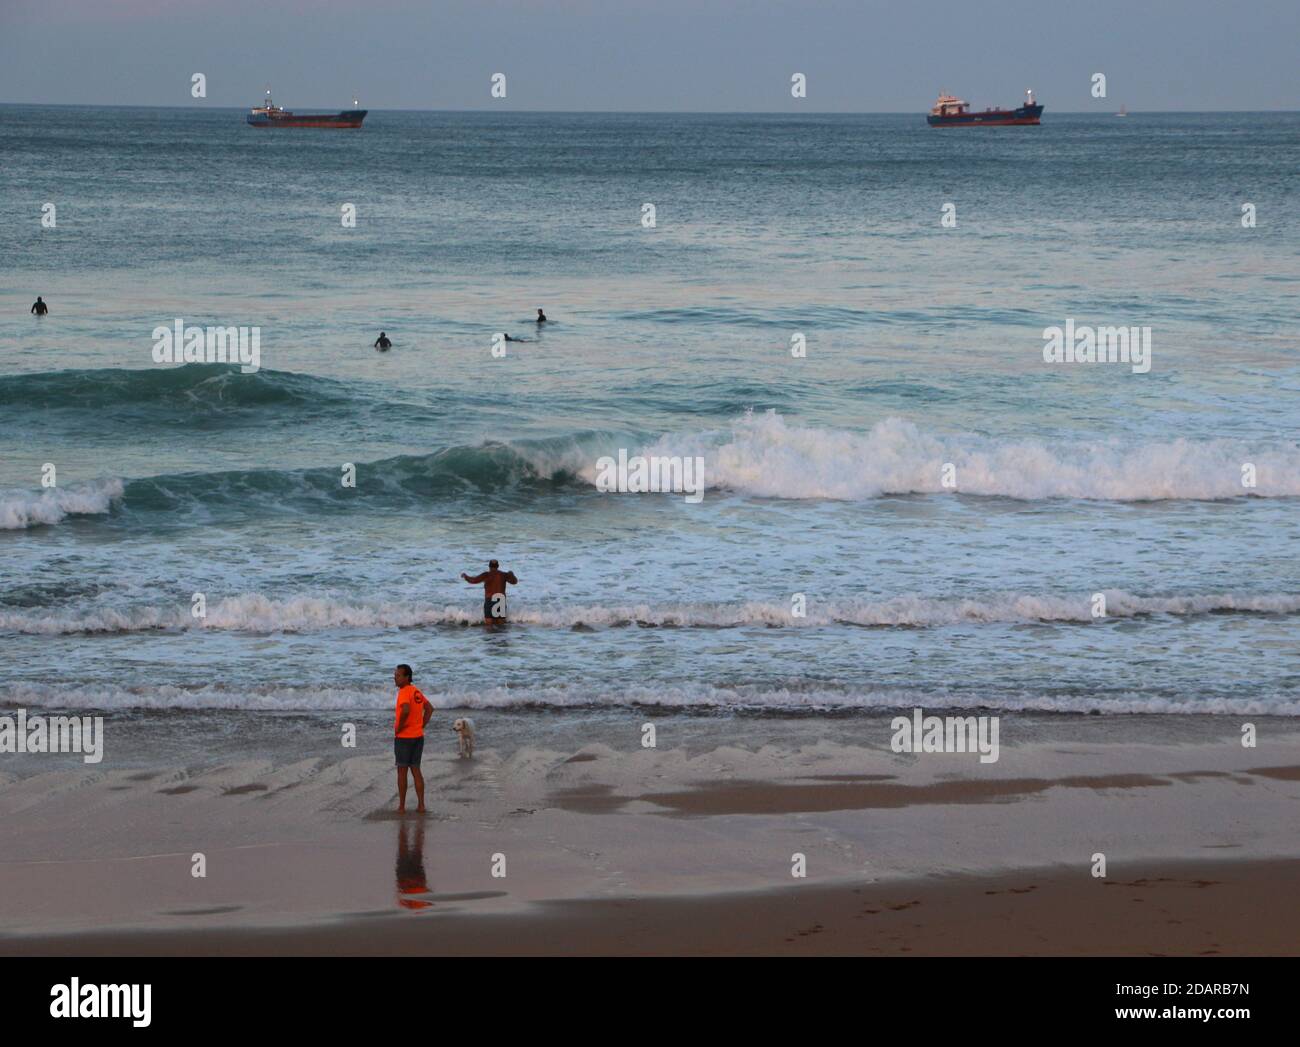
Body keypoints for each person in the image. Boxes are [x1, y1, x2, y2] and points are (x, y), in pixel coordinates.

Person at [393, 663, 432, 813]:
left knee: (402, 771)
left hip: (404, 737)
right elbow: (429, 709)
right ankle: (421, 805)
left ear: (406, 677)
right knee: (416, 770)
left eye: (398, 675)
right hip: (418, 737)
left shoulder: (404, 691)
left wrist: (399, 727)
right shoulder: (416, 691)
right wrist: (421, 725)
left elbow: (405, 710)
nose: (395, 678)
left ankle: (402, 806)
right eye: (395, 675)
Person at [461, 559, 517, 624]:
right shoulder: (503, 575)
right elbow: (514, 582)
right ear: (498, 566)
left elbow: (473, 580)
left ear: (489, 566)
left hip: (490, 599)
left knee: (489, 626)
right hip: (501, 600)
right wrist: (511, 574)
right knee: (501, 625)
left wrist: (465, 576)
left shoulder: (486, 575)